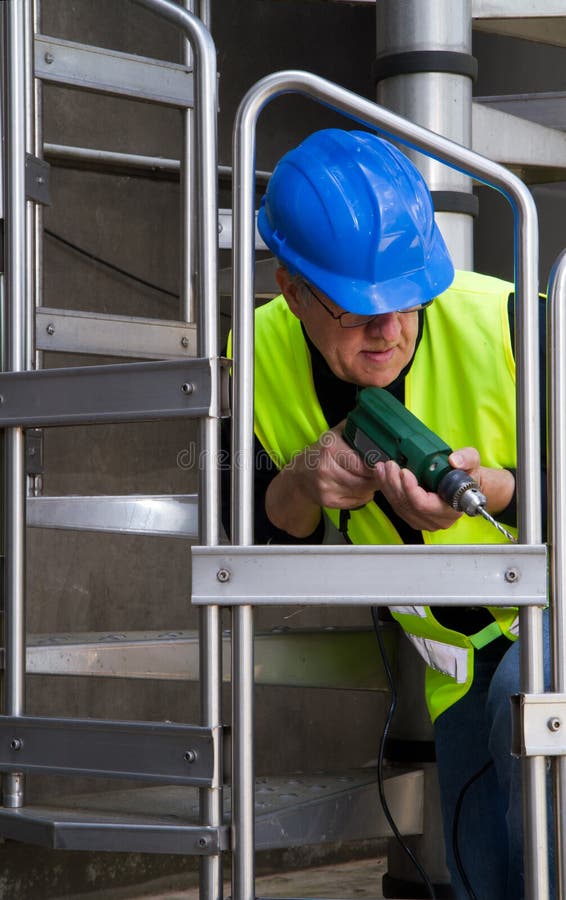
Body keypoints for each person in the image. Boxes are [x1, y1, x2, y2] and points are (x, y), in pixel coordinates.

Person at [226, 127, 549, 899]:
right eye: (357, 311)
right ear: (292, 289)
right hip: (462, 667)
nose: (390, 331)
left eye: (408, 301)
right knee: (486, 879)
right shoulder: (255, 353)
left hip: (547, 625)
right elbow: (249, 541)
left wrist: (501, 489)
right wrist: (301, 483)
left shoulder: (511, 322)